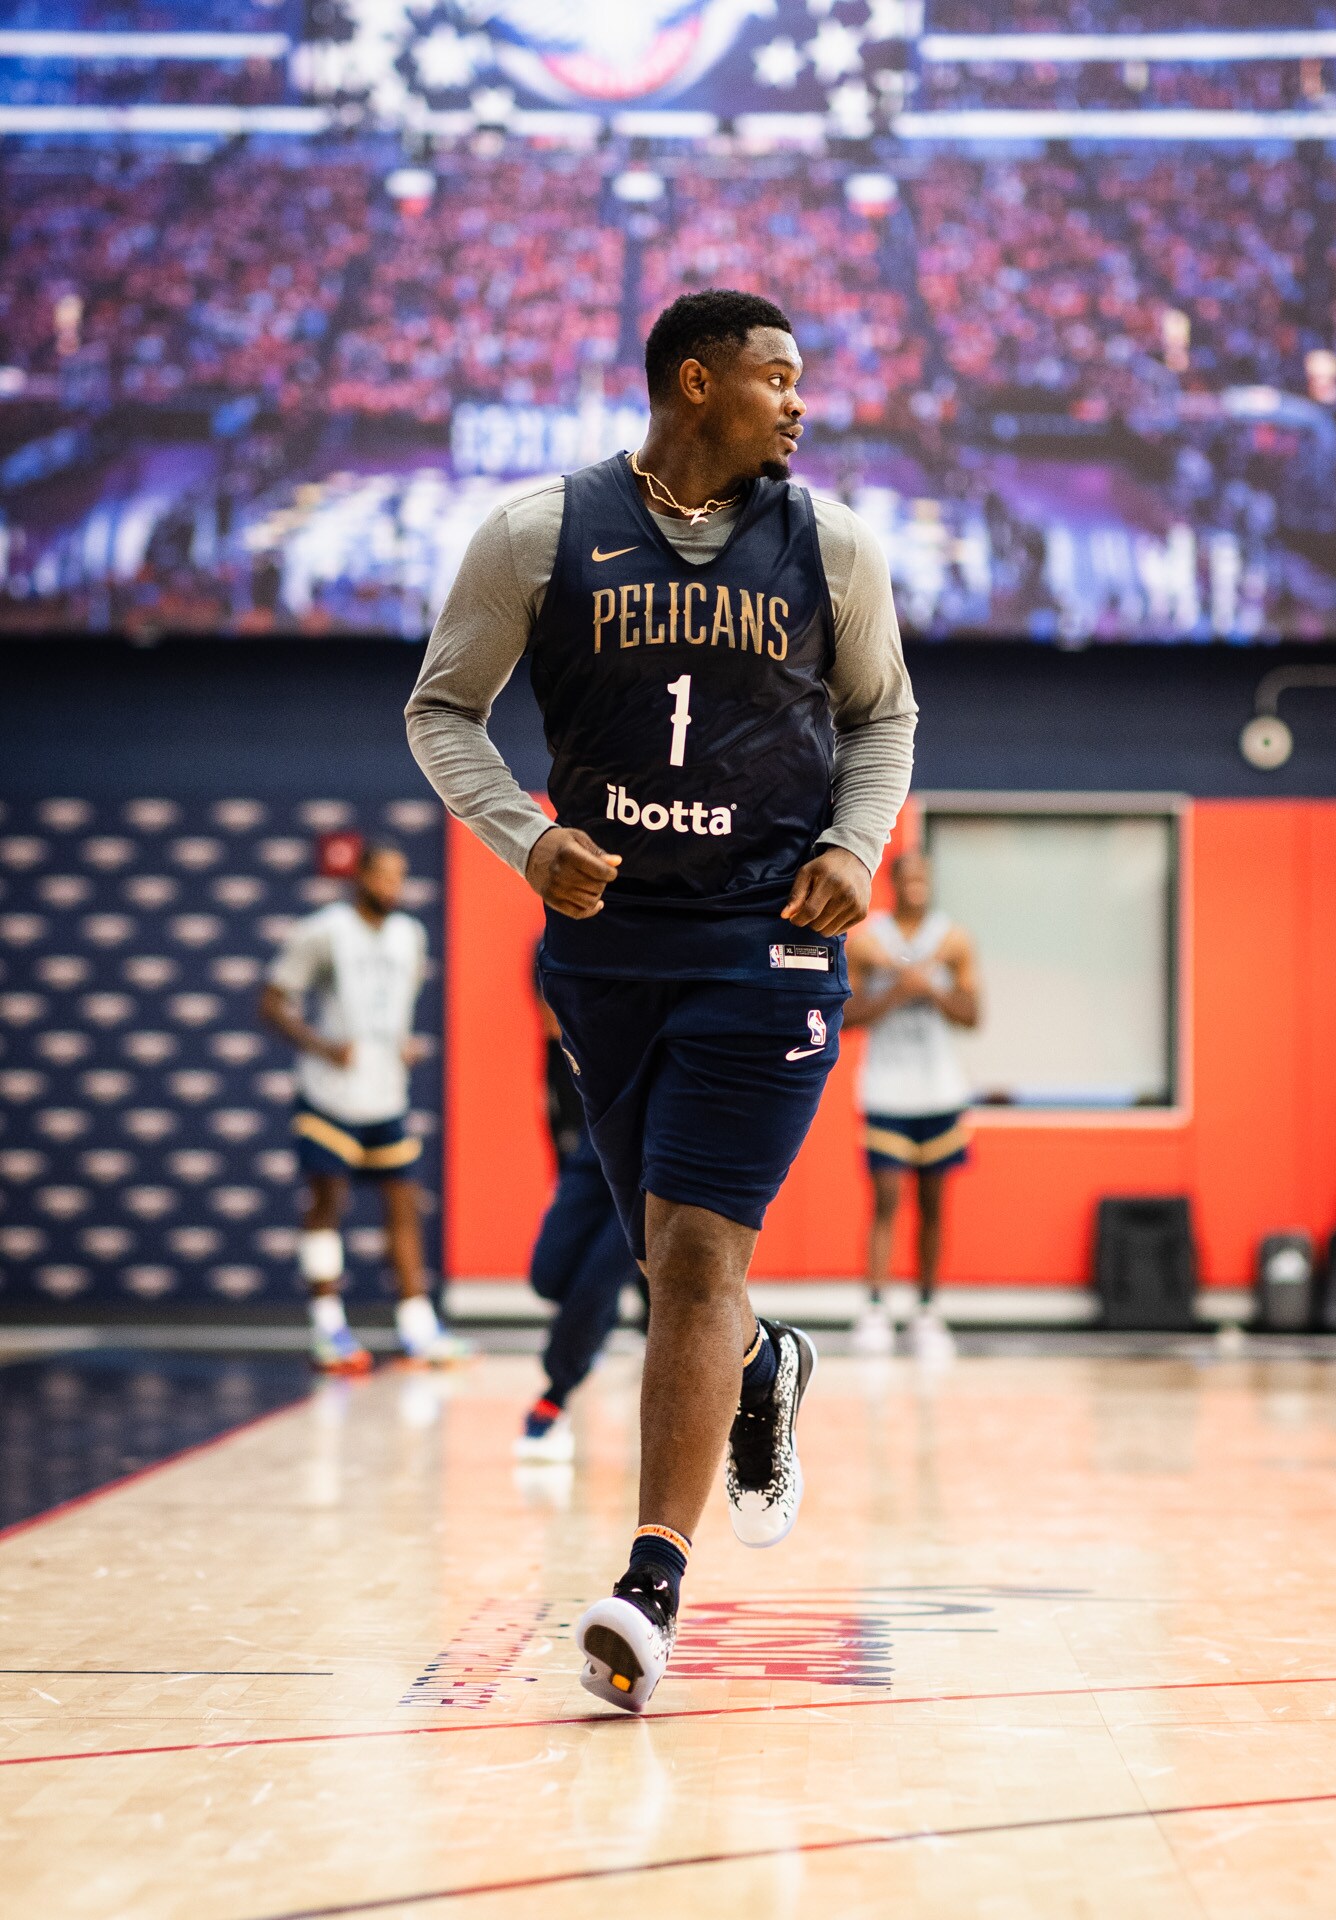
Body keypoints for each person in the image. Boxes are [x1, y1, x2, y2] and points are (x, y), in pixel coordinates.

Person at [407, 288, 916, 1711]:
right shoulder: (539, 534)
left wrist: (848, 848)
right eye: (778, 378)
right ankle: (762, 1369)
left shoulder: (833, 545)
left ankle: (649, 1585)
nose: (800, 403)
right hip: (608, 948)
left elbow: (885, 717)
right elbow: (441, 708)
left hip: (768, 942)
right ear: (697, 384)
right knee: (670, 1265)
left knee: (695, 1258)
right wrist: (525, 835)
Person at [259, 840, 470, 1372]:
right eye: (382, 876)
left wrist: (402, 1043)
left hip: (384, 1092)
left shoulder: (410, 935)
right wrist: (323, 1046)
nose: (392, 887)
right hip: (329, 1093)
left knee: (403, 1203)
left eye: (399, 878)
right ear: (360, 877)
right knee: (328, 1202)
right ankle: (328, 1327)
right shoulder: (325, 930)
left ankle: (418, 1327)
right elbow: (272, 1001)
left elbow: (394, 1008)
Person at [844, 847, 980, 1363]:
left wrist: (933, 988)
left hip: (939, 1088)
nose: (916, 885)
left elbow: (972, 1014)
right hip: (886, 1087)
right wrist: (902, 987)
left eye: (924, 877)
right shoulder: (869, 941)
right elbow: (847, 1014)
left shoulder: (952, 940)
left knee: (933, 1205)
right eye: (908, 877)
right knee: (885, 1199)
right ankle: (875, 1308)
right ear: (894, 883)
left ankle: (927, 1311)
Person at [516, 948, 642, 1465]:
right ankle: (604, 1320)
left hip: (649, 1159)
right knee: (549, 1275)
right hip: (593, 1152)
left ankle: (554, 1394)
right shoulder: (561, 1045)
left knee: (598, 1279)